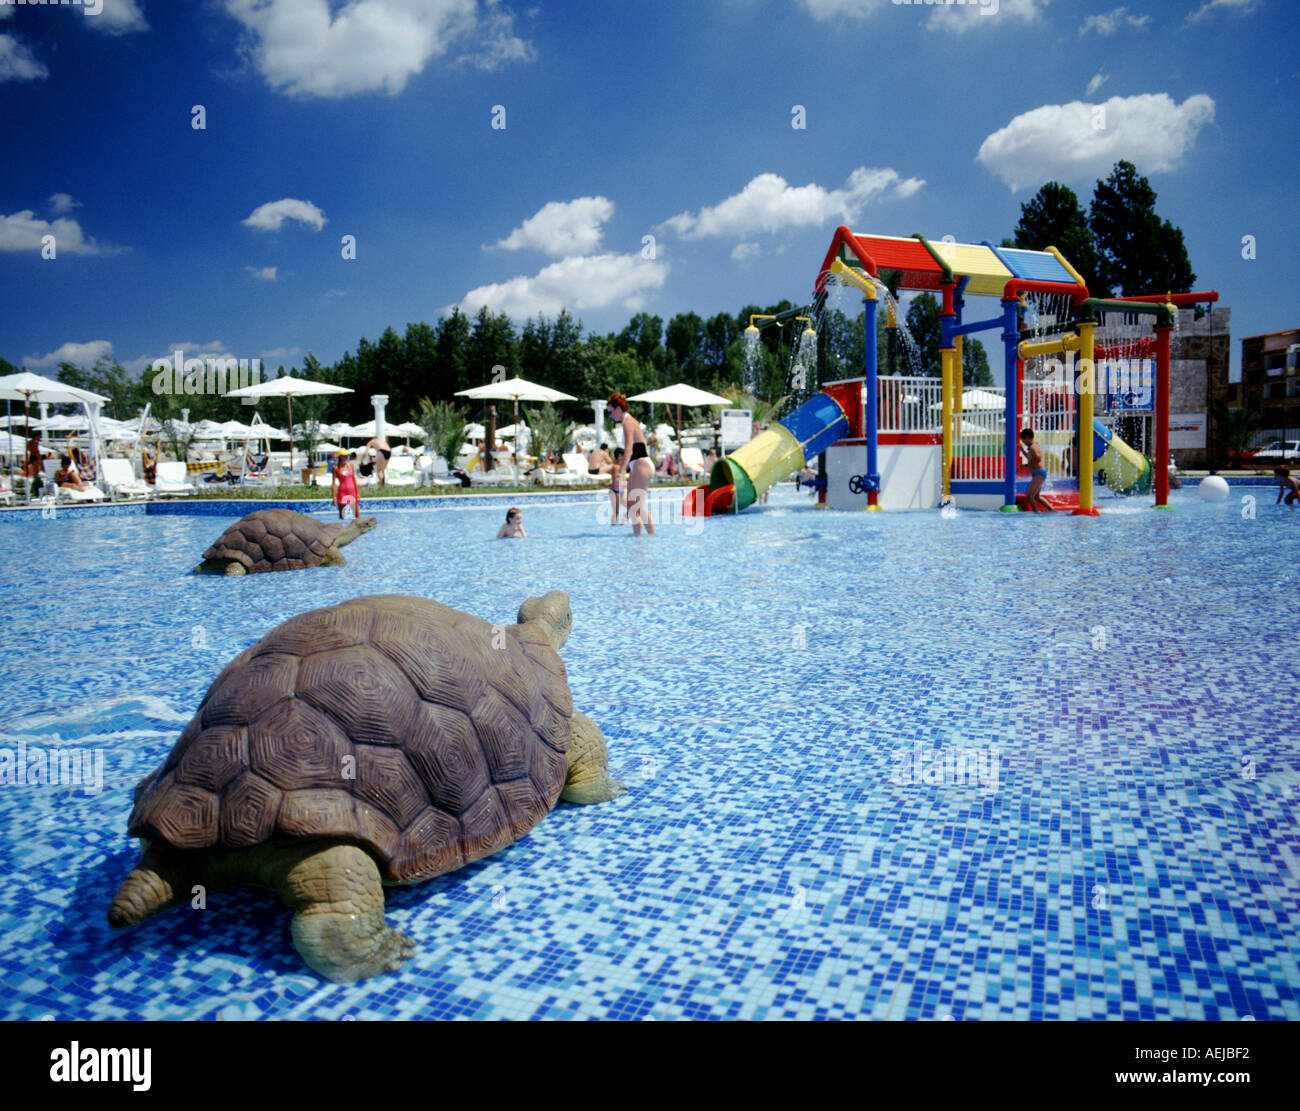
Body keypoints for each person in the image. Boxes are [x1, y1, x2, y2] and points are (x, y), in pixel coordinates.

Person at [607, 393, 655, 535]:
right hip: (638, 465)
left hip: (641, 464)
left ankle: (652, 536)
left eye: (610, 411)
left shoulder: (628, 422)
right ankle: (637, 536)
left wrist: (620, 474)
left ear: (618, 409)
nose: (610, 415)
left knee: (638, 505)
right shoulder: (626, 422)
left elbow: (628, 450)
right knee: (631, 504)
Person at [1019, 428, 1051, 511]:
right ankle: (1052, 510)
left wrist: (1027, 465)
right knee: (1037, 497)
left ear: (1028, 438)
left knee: (1029, 496)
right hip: (1038, 473)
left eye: (1023, 440)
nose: (1024, 443)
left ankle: (1036, 513)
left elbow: (1038, 458)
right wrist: (1022, 450)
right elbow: (1031, 458)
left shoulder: (1033, 447)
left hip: (1039, 473)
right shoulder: (1032, 447)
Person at [332, 450, 359, 520]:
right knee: (342, 516)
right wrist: (334, 497)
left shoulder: (350, 465)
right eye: (343, 456)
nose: (345, 457)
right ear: (340, 457)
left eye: (346, 456)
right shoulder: (335, 468)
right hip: (342, 493)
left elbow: (354, 480)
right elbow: (333, 484)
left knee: (356, 515)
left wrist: (357, 493)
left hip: (352, 492)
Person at [609, 447, 625, 524]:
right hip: (615, 491)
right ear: (620, 456)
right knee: (616, 512)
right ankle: (614, 526)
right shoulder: (615, 467)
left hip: (621, 491)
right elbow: (616, 481)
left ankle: (622, 523)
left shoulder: (623, 467)